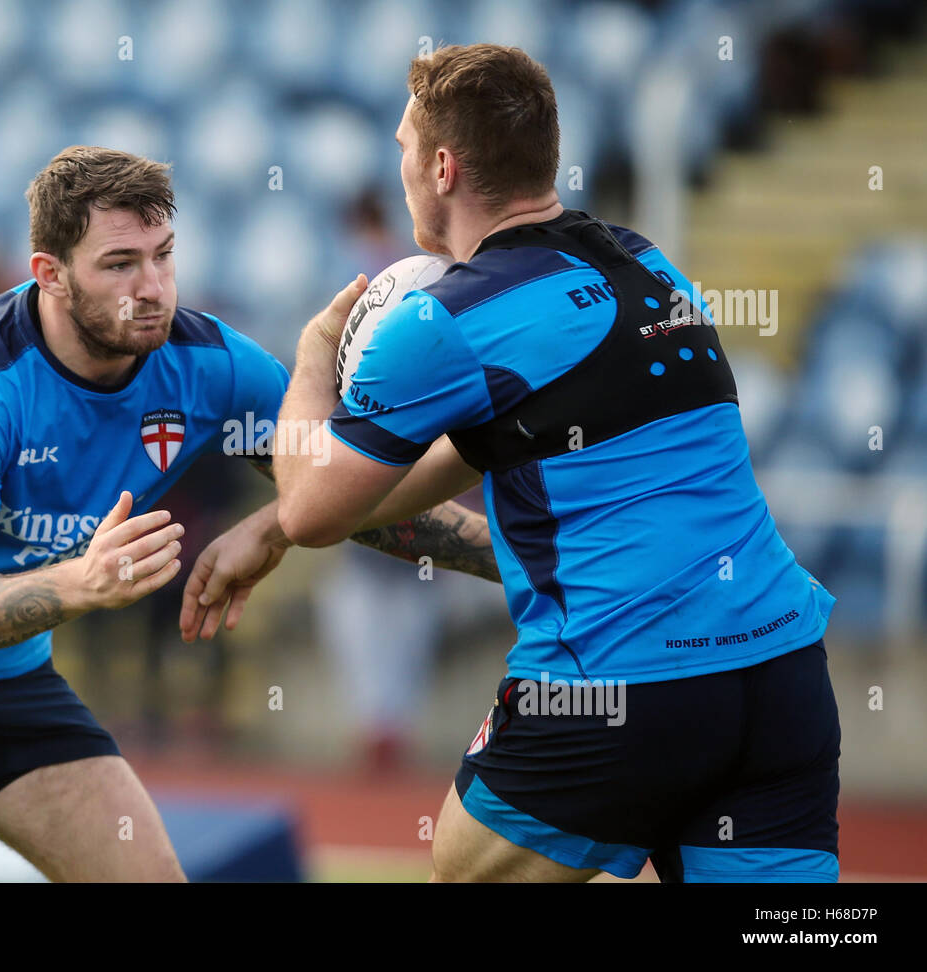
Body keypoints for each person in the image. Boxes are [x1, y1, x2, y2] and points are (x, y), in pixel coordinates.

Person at [0, 146, 498, 882]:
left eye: (163, 256)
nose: (152, 288)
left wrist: (524, 553)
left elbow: (348, 499)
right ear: (49, 274)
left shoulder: (214, 365)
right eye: (119, 264)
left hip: (5, 669)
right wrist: (83, 582)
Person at [273, 44, 839, 884]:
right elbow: (483, 454)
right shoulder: (647, 262)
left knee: (462, 867)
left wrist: (317, 353)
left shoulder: (446, 319)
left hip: (619, 683)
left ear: (441, 166)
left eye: (400, 149)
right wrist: (262, 537)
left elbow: (310, 509)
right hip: (781, 671)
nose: (396, 170)